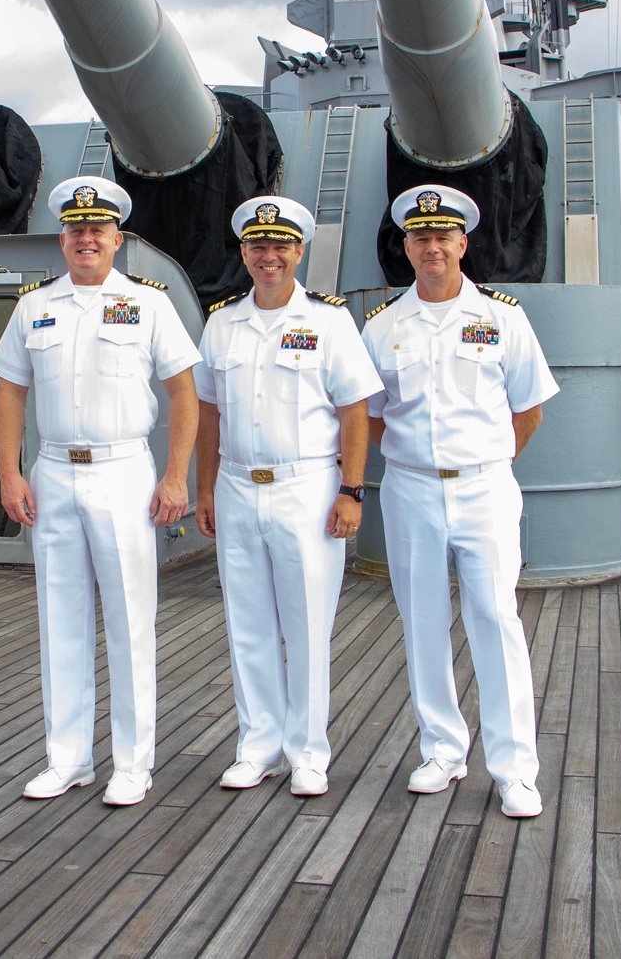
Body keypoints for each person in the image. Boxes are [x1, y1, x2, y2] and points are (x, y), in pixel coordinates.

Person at [0, 176, 201, 808]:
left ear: (117, 238)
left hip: (123, 472)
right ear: (63, 238)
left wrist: (175, 475)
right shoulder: (34, 306)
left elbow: (184, 393)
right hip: (53, 470)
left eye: (98, 230)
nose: (87, 238)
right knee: (61, 619)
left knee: (132, 620)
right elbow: (9, 392)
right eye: (76, 230)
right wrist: (8, 471)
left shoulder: (149, 304)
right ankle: (68, 758)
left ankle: (133, 764)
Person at [361, 185, 559, 820]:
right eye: (420, 238)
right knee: (421, 620)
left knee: (496, 620)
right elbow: (369, 416)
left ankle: (513, 769)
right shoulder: (384, 326)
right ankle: (443, 749)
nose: (432, 246)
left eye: (443, 236)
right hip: (411, 486)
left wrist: (488, 458)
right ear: (408, 247)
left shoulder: (503, 318)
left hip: (484, 485)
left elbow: (527, 409)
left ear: (462, 243)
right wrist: (418, 458)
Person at [194, 196, 383, 797]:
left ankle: (307, 751)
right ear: (244, 252)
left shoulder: (328, 322)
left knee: (305, 625)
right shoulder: (222, 322)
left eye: (280, 246)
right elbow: (207, 412)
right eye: (257, 246)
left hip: (307, 485)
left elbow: (356, 410)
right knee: (245, 622)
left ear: (299, 251)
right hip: (236, 483)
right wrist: (204, 490)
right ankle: (258, 746)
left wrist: (351, 490)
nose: (268, 256)